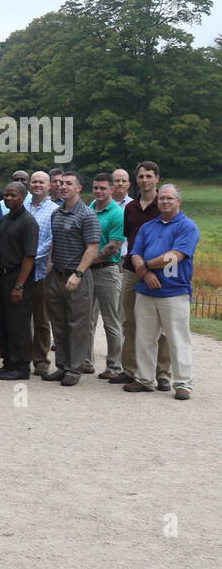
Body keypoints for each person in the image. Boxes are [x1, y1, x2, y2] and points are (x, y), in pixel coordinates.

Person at [124, 185, 198, 400]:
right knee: (144, 338)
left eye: (170, 198)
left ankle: (183, 383)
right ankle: (145, 379)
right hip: (146, 290)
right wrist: (145, 273)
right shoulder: (148, 226)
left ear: (178, 202)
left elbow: (175, 255)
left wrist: (146, 265)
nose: (165, 201)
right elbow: (135, 253)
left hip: (174, 292)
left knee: (177, 338)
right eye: (162, 198)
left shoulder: (187, 227)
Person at [110, 161, 171, 389]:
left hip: (160, 271)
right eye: (141, 177)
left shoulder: (164, 205)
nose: (144, 180)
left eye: (149, 176)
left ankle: (163, 373)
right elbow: (129, 237)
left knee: (162, 324)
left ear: (157, 178)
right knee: (130, 321)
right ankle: (130, 368)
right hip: (132, 270)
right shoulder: (131, 207)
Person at [43, 171, 101, 386]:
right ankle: (62, 365)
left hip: (77, 277)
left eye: (69, 183)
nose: (63, 186)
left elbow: (92, 247)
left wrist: (78, 273)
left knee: (77, 325)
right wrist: (50, 263)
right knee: (58, 323)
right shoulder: (56, 214)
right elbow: (54, 243)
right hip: (56, 275)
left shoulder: (87, 215)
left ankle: (75, 369)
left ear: (78, 188)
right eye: (60, 183)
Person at [0, 183, 38, 381]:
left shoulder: (28, 222)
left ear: (23, 197)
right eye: (7, 195)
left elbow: (29, 257)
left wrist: (19, 285)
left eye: (13, 195)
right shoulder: (7, 218)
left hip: (19, 277)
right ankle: (8, 363)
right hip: (3, 274)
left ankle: (21, 366)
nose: (8, 198)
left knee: (18, 324)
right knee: (3, 321)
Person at [82, 172, 125, 378]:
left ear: (112, 189)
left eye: (103, 188)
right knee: (87, 318)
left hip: (107, 271)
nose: (98, 192)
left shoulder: (116, 213)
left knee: (111, 321)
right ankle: (87, 362)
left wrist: (86, 261)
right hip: (88, 271)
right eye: (96, 188)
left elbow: (113, 246)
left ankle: (114, 367)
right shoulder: (90, 208)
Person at [24, 170, 60, 375]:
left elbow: (52, 241)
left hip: (40, 271)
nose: (37, 185)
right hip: (20, 271)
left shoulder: (55, 210)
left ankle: (40, 360)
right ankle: (20, 357)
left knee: (41, 318)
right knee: (20, 317)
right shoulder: (22, 207)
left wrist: (29, 256)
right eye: (34, 181)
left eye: (41, 182)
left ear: (49, 186)